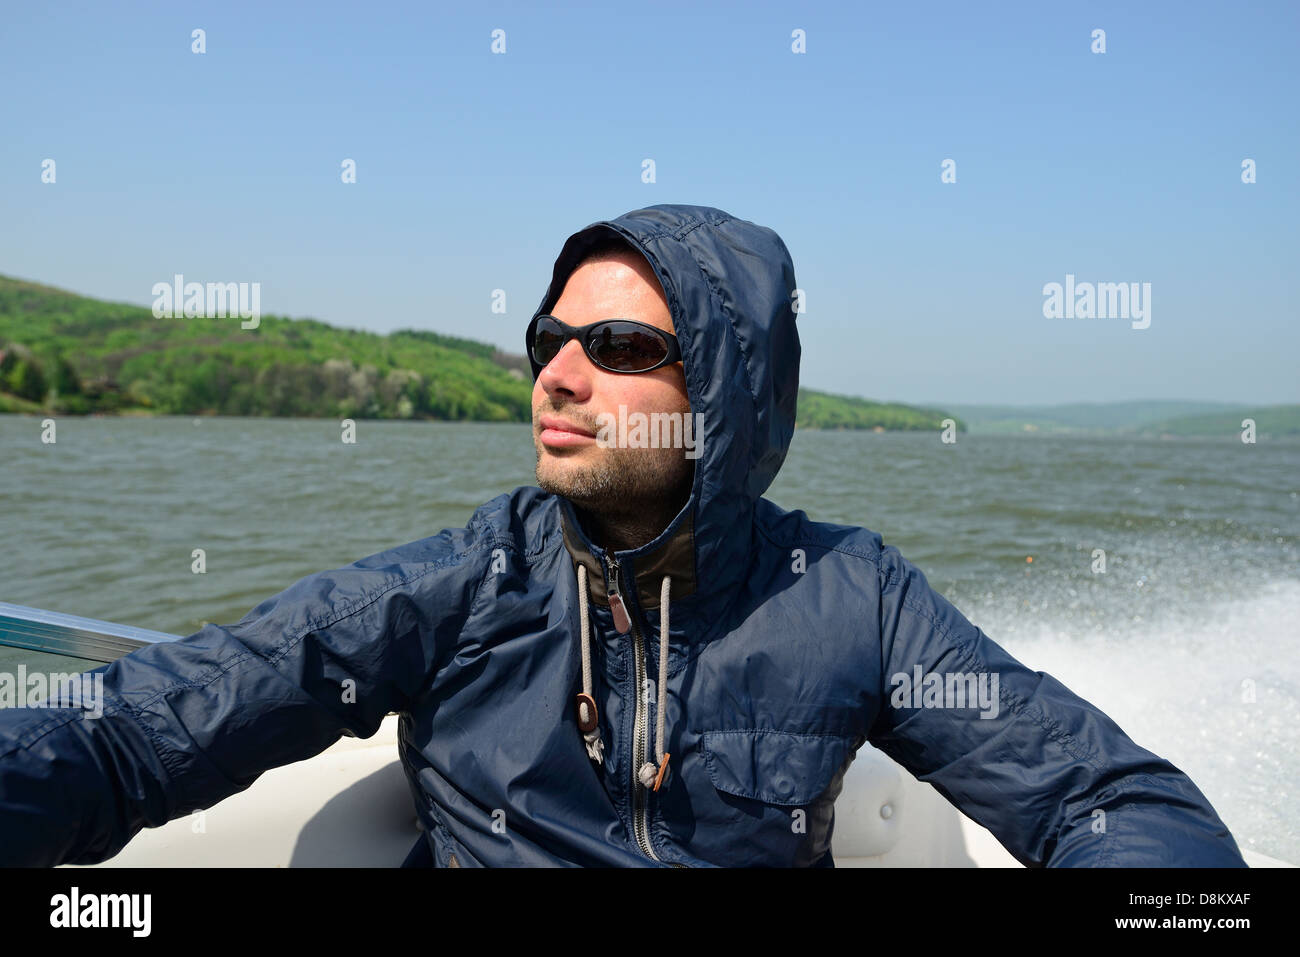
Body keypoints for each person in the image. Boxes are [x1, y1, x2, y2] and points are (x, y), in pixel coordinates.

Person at [0, 203, 1245, 867]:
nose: (557, 375)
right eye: (550, 342)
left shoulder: (851, 596)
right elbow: (134, 736)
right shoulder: (460, 583)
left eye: (623, 349)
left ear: (726, 393)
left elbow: (1099, 794)